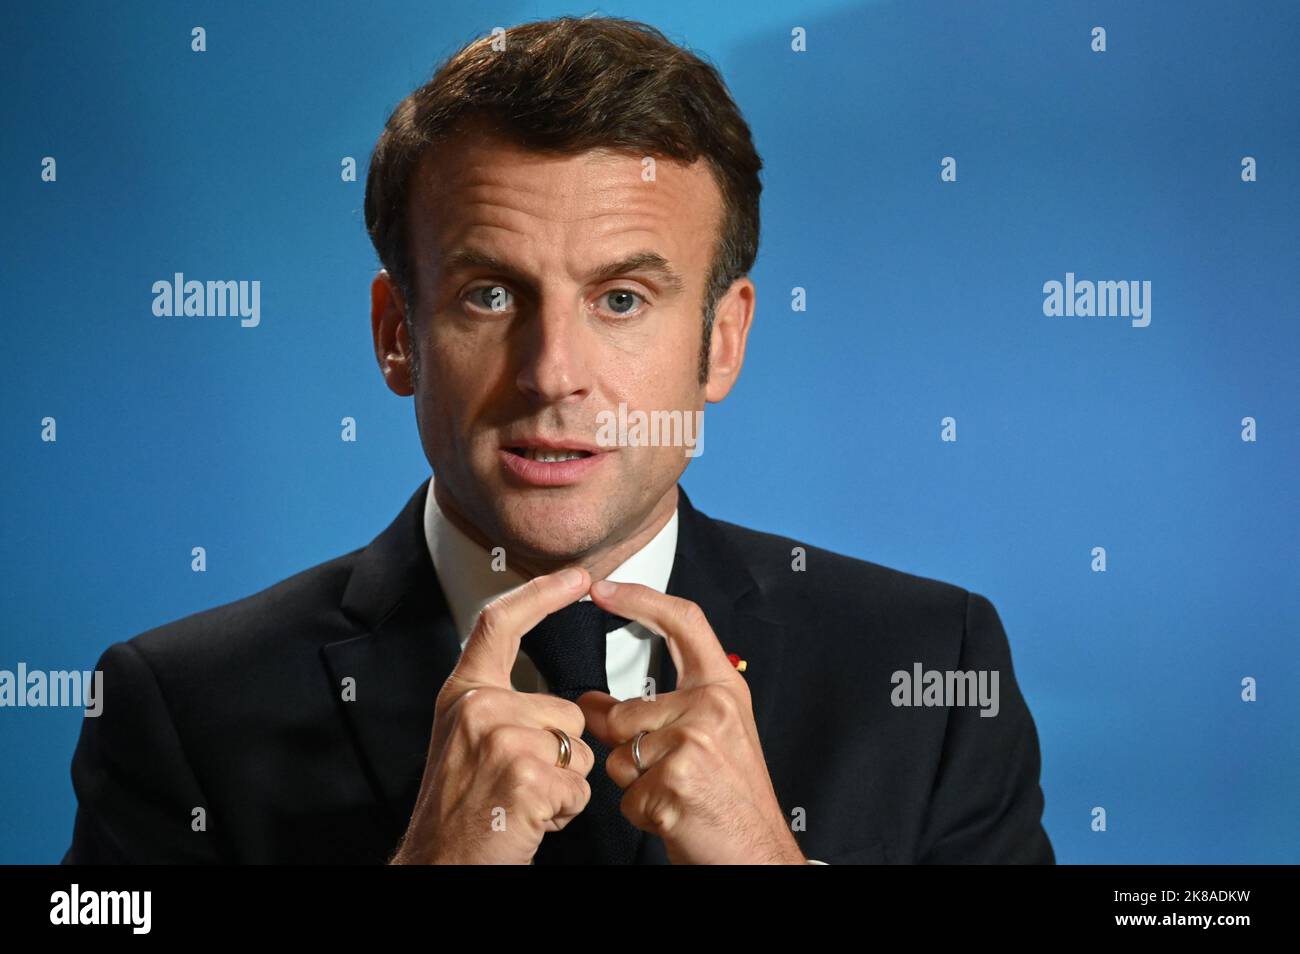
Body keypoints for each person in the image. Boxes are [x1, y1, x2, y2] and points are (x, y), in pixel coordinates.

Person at [63, 15, 1053, 865]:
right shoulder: (179, 707)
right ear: (396, 336)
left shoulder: (933, 668)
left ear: (721, 341)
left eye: (621, 298)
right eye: (489, 295)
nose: (550, 373)